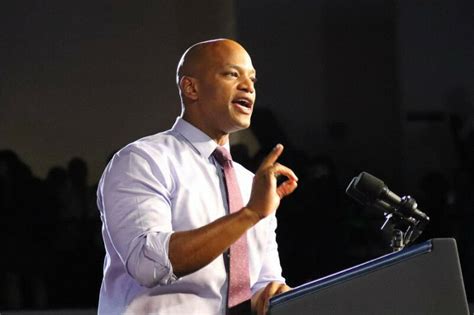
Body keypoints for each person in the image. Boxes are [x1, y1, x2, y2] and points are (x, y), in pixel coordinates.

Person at [96, 38, 298, 315]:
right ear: (191, 87)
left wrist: (274, 294)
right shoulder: (142, 161)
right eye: (231, 74)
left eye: (252, 79)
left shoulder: (250, 183)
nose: (249, 87)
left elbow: (261, 284)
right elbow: (149, 263)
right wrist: (249, 214)